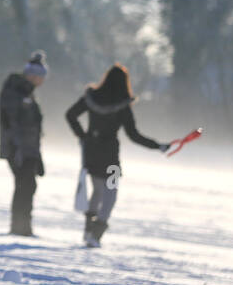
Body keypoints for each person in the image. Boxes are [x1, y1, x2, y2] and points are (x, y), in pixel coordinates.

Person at [64, 63, 170, 247]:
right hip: (111, 159)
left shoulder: (91, 98)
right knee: (110, 195)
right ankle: (96, 234)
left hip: (91, 154)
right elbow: (133, 135)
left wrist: (83, 136)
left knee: (97, 191)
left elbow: (70, 115)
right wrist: (157, 146)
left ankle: (88, 231)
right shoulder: (122, 106)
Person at [0, 51, 48, 237]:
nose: (42, 80)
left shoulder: (28, 93)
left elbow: (33, 127)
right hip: (18, 148)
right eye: (41, 76)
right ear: (32, 75)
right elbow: (11, 122)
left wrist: (37, 156)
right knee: (24, 185)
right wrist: (17, 148)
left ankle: (23, 226)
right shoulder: (15, 91)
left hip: (28, 149)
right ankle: (19, 227)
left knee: (28, 185)